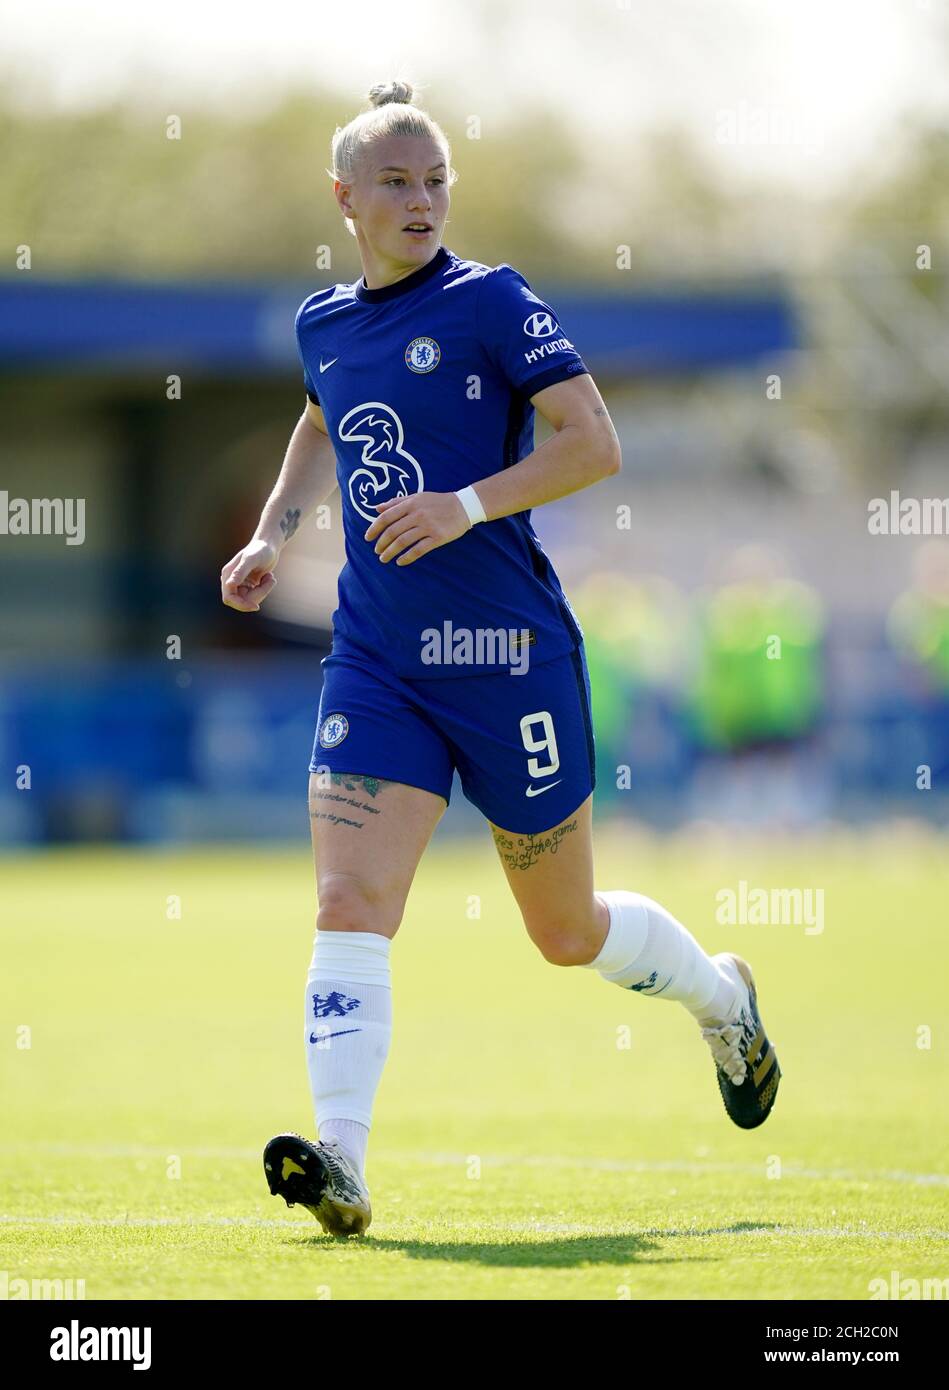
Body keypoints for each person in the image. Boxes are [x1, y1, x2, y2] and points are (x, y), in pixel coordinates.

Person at [220, 80, 781, 1238]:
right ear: (345, 198)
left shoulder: (490, 303)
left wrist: (464, 505)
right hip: (377, 658)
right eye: (395, 182)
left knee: (563, 932)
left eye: (434, 182)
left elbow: (594, 442)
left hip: (506, 655)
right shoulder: (321, 323)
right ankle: (342, 1159)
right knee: (347, 898)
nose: (420, 200)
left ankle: (723, 1000)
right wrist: (272, 536)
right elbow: (320, 417)